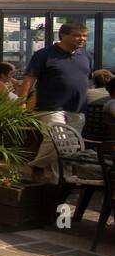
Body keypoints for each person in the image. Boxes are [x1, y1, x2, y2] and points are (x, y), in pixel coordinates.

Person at [19, 22, 93, 183]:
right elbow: (29, 78)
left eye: (84, 36)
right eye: (77, 35)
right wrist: (22, 100)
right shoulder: (44, 54)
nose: (82, 39)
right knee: (58, 141)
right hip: (50, 106)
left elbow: (87, 80)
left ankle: (56, 178)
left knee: (70, 147)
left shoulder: (86, 56)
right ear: (63, 35)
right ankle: (43, 170)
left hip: (78, 108)